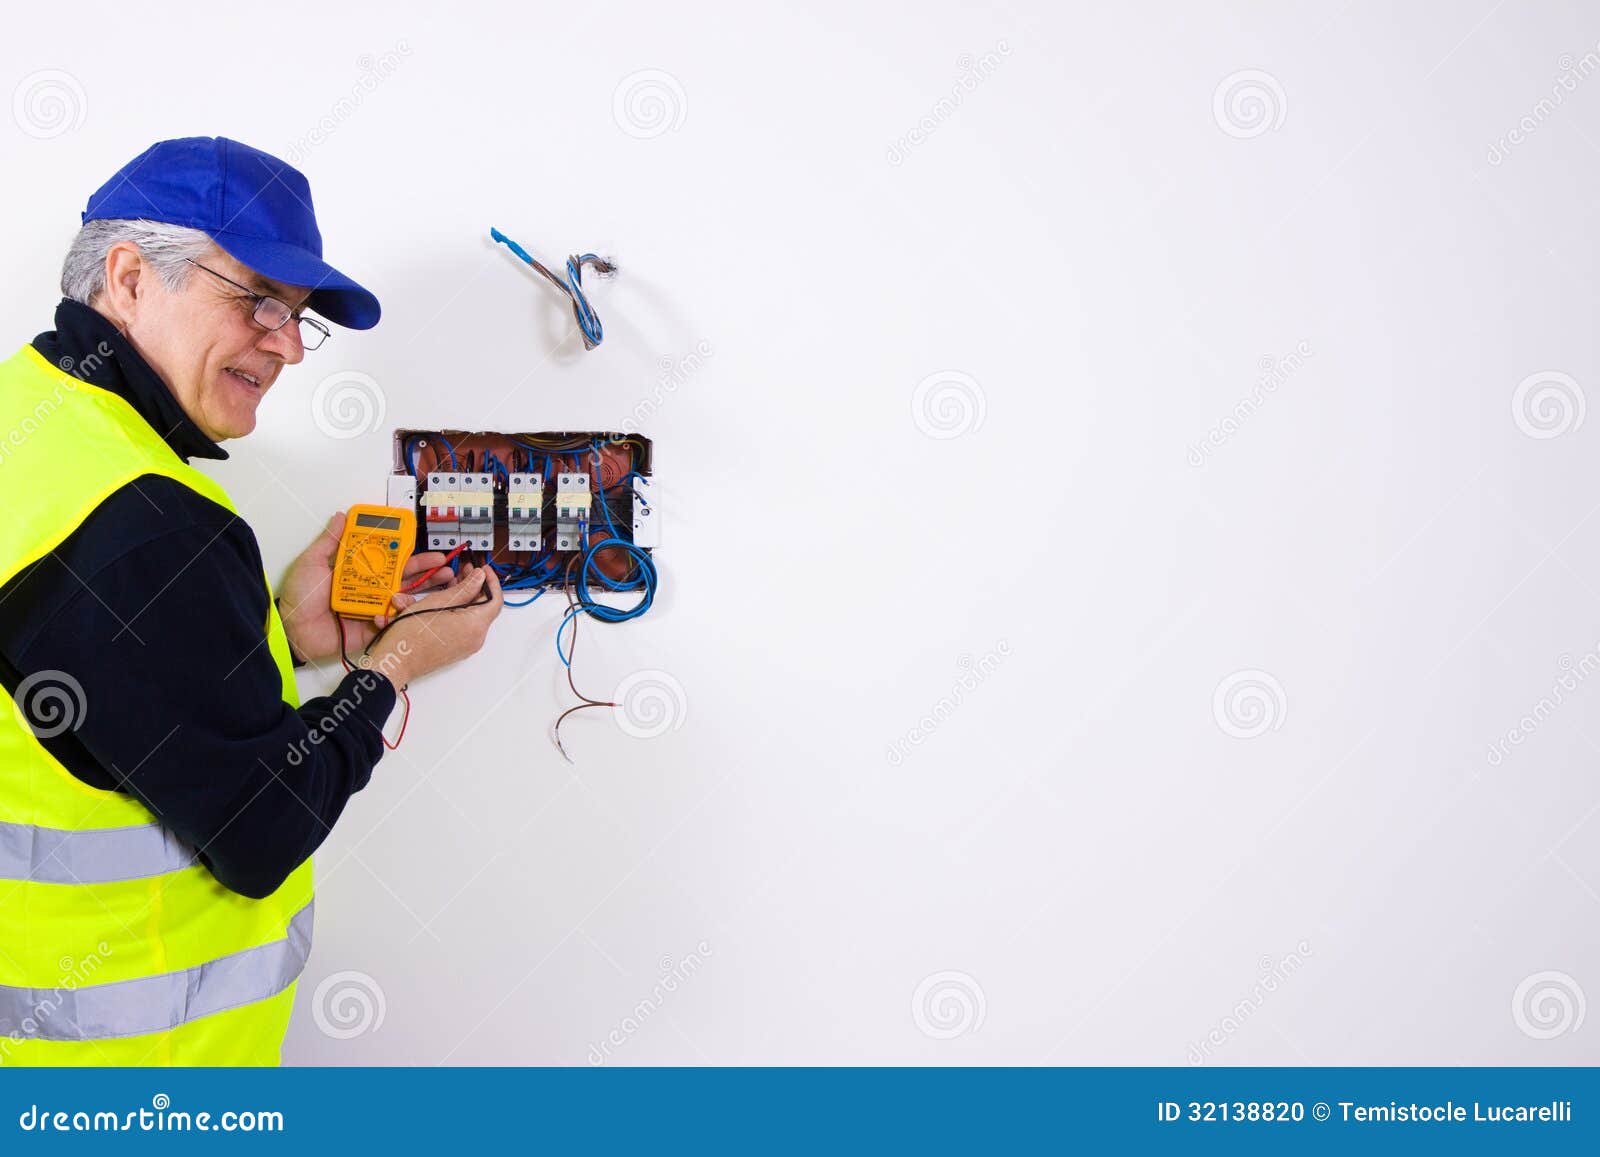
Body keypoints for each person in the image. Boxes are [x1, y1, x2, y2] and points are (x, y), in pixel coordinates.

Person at [0, 136, 502, 1065]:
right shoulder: (148, 522)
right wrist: (392, 668)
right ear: (129, 278)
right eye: (258, 301)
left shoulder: (28, 425)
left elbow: (105, 702)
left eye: (298, 317)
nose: (286, 348)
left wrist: (278, 628)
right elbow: (260, 828)